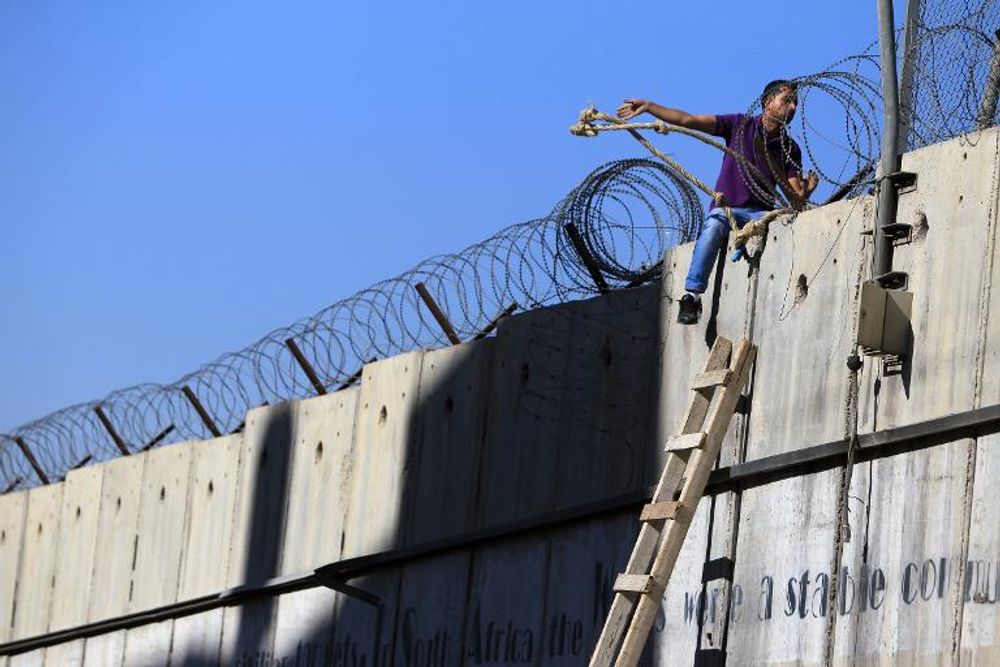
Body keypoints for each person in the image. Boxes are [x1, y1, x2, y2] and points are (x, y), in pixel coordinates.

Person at [617, 80, 819, 324]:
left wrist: (806, 192)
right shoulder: (739, 125)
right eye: (786, 100)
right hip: (728, 210)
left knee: (786, 226)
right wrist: (650, 106)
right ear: (768, 103)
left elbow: (795, 200)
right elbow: (688, 120)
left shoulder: (789, 148)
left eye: (795, 103)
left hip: (761, 214)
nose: (793, 107)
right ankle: (692, 296)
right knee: (713, 226)